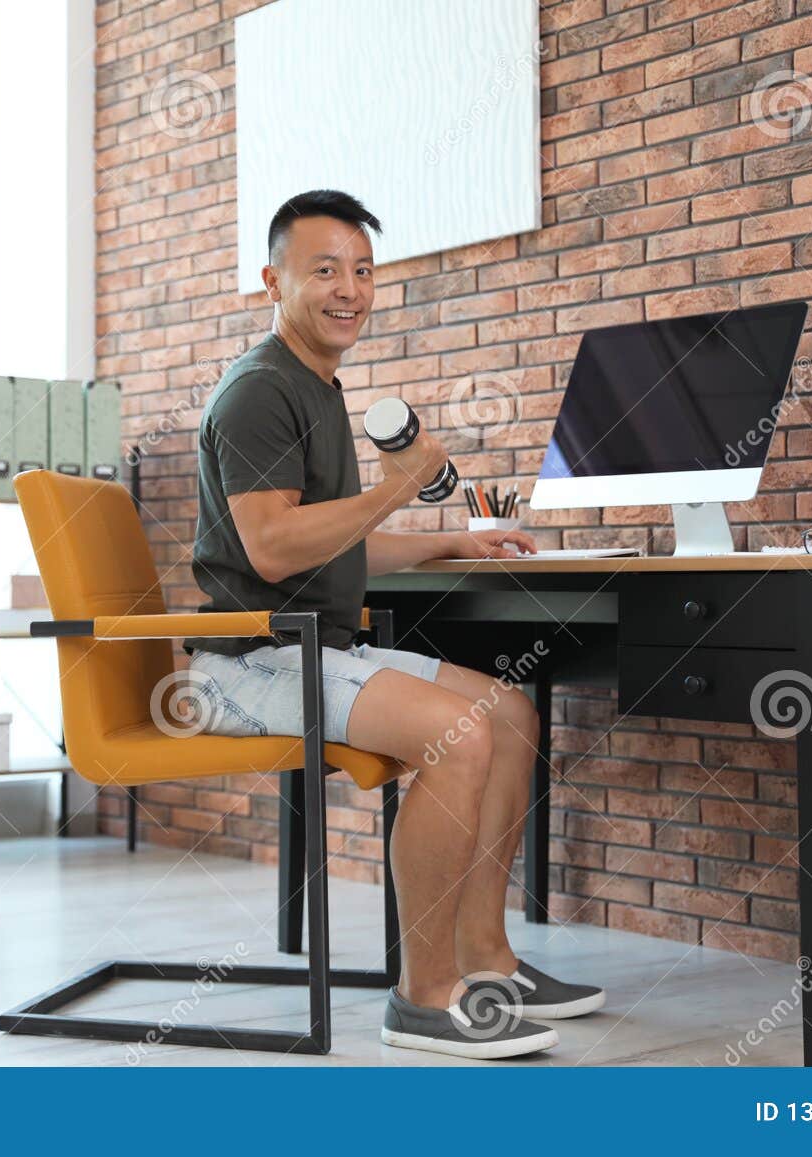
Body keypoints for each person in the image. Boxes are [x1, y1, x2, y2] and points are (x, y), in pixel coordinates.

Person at [183, 189, 606, 1060]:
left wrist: (458, 539)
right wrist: (398, 485)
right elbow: (269, 549)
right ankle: (423, 997)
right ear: (274, 279)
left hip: (311, 644)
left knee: (512, 713)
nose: (350, 289)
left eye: (364, 270)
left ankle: (486, 959)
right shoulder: (261, 391)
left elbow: (337, 549)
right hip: (248, 658)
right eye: (325, 270)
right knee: (458, 733)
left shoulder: (317, 388)